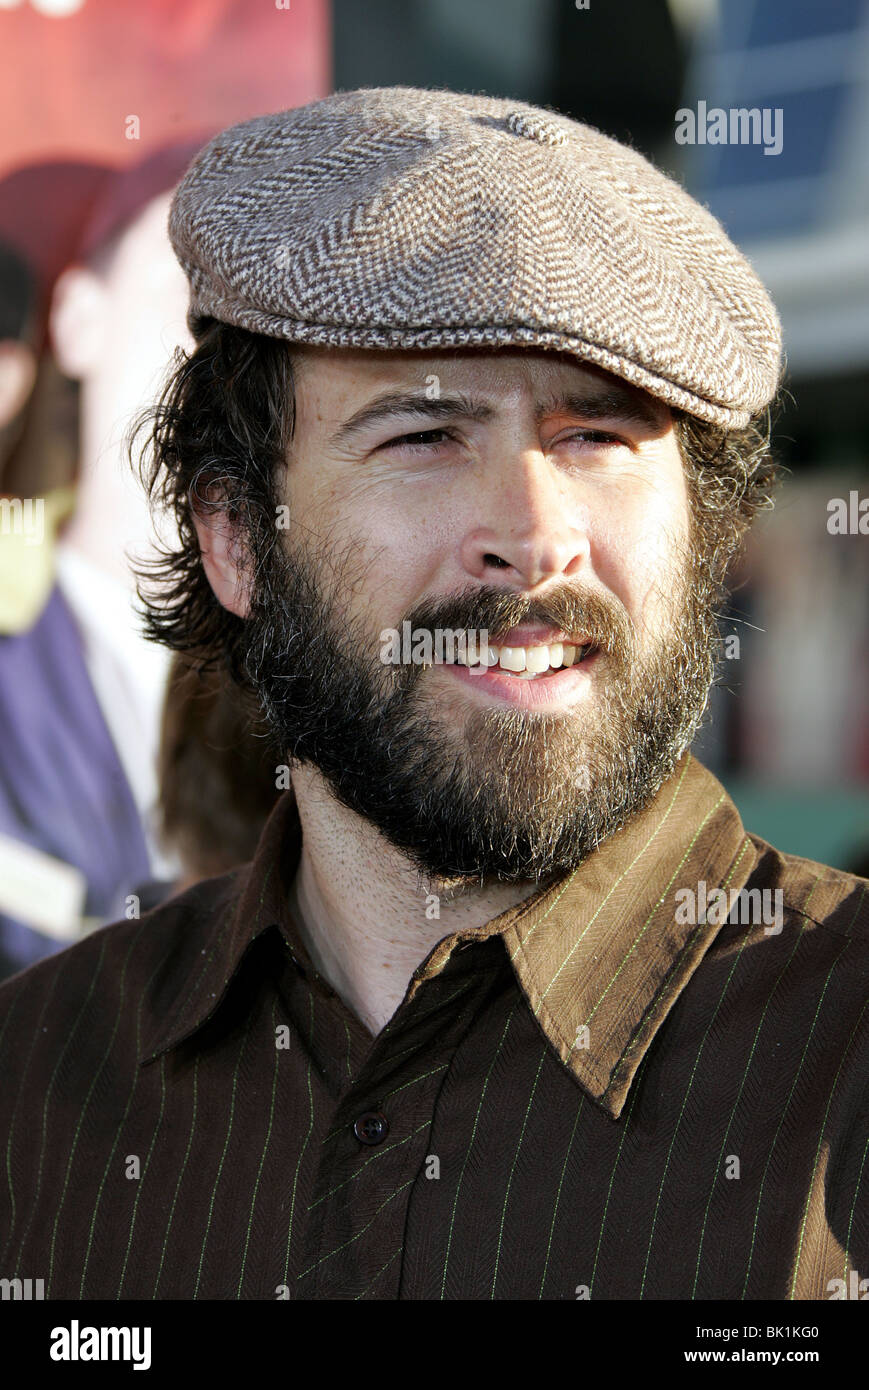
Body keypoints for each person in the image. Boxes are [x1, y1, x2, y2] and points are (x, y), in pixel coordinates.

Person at [0, 88, 866, 1301]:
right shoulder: (37, 1085)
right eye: (422, 433)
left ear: (707, 530)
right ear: (236, 538)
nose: (531, 535)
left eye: (597, 437)